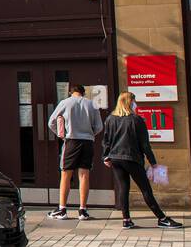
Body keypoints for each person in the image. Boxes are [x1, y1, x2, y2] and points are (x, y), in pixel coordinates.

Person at [103, 92, 181, 229]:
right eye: (134, 101)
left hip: (115, 159)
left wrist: (105, 156)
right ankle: (162, 218)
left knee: (123, 189)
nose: (136, 104)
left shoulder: (110, 119)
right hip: (131, 158)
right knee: (145, 189)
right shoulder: (136, 120)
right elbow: (145, 144)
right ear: (129, 102)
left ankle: (126, 219)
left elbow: (106, 140)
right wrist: (153, 162)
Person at [46, 84, 103, 221]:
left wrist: (62, 134)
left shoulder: (65, 102)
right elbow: (99, 126)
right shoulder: (92, 104)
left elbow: (51, 122)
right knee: (84, 175)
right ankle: (82, 210)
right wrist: (90, 134)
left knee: (66, 174)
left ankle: (62, 209)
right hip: (87, 142)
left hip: (71, 141)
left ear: (71, 92)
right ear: (83, 92)